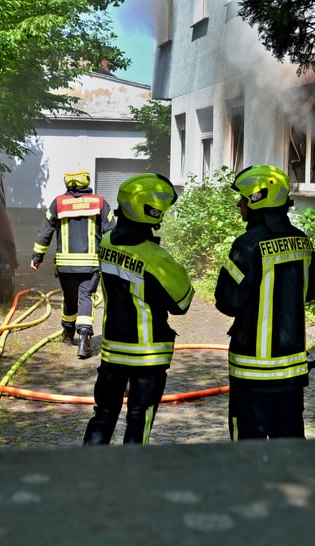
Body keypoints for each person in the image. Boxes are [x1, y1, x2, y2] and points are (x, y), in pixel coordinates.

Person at [82, 173, 194, 445]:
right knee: (139, 420)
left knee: (103, 414)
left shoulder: (106, 242)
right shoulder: (155, 257)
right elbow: (182, 303)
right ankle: (133, 478)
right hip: (148, 355)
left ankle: (86, 470)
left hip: (113, 350)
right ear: (151, 212)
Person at [214, 164, 315, 440]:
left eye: (244, 198)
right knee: (289, 443)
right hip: (292, 370)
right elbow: (309, 294)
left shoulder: (247, 245)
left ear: (258, 200)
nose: (240, 204)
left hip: (252, 371)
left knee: (248, 447)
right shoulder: (302, 242)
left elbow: (227, 302)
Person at [31, 169, 115, 358]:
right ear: (86, 182)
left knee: (69, 299)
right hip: (91, 265)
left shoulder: (59, 203)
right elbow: (111, 232)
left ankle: (68, 334)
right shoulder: (99, 202)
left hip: (65, 267)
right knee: (86, 297)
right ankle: (84, 340)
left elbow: (45, 231)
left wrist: (37, 257)